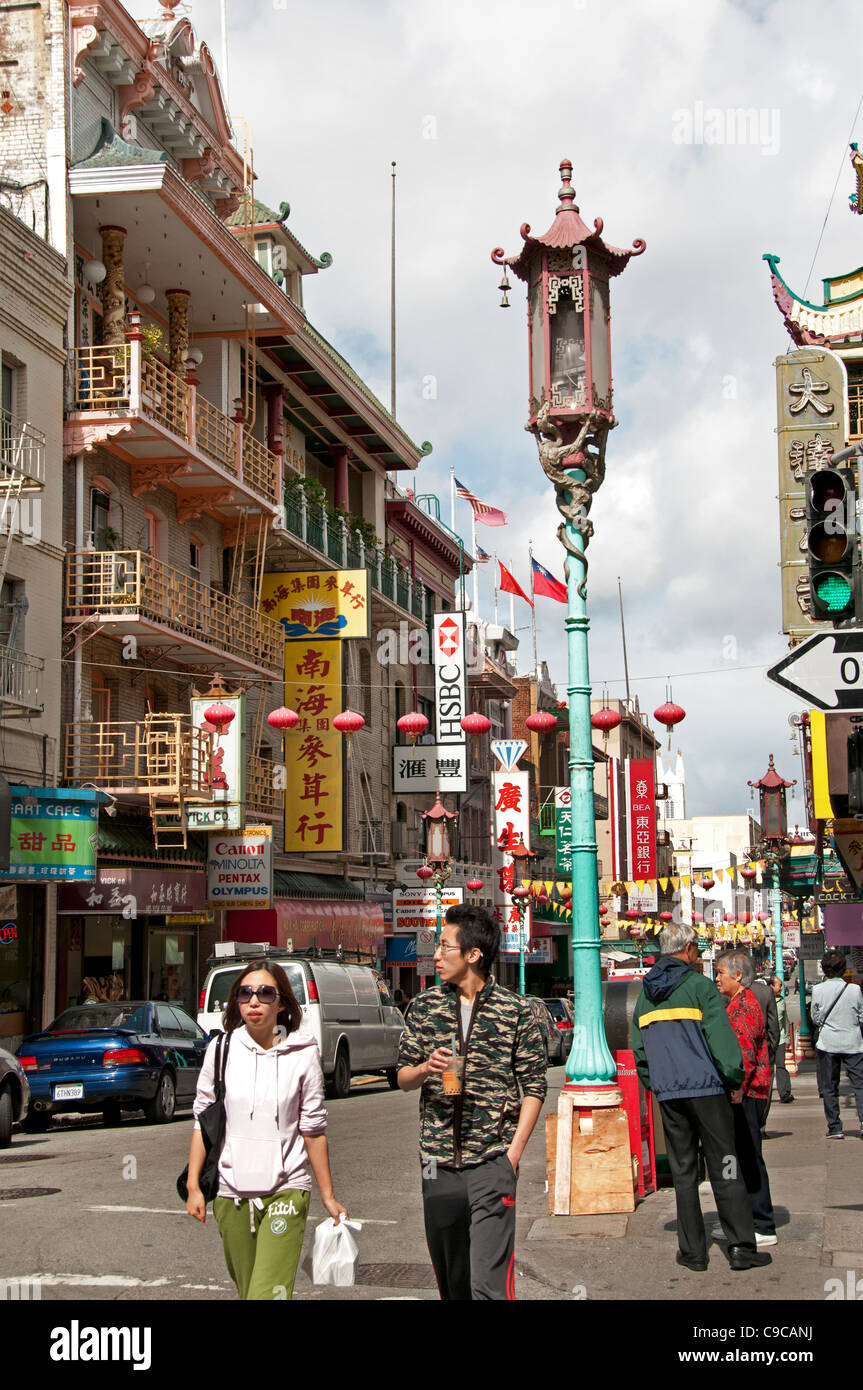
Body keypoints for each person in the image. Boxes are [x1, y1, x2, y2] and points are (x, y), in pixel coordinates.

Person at [397, 903, 547, 1300]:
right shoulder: (424, 1007)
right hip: (436, 1163)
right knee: (453, 1282)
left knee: (488, 1285)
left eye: (444, 947)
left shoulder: (515, 1011)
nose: (435, 955)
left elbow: (534, 1085)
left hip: (492, 1161)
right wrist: (426, 1068)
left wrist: (512, 1155)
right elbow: (401, 1077)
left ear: (473, 954)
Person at [185, 961, 348, 1300]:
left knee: (265, 1295)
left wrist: (328, 1196)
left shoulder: (302, 1053)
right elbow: (204, 1120)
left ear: (282, 1003)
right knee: (248, 1292)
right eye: (245, 993)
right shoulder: (221, 1050)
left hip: (287, 1191)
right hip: (231, 1194)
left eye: (265, 993)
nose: (254, 1001)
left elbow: (313, 1129)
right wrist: (193, 1186)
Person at [631, 923, 771, 1273]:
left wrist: (655, 1083)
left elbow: (639, 1048)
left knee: (683, 1172)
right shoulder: (700, 987)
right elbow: (722, 1044)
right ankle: (740, 1246)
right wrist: (734, 1078)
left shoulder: (645, 994)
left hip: (669, 1094)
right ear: (690, 950)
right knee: (726, 1165)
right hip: (707, 1090)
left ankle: (692, 1251)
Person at [713, 951, 777, 1249]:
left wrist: (737, 1085)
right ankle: (743, 1220)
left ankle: (761, 1222)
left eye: (721, 972)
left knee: (749, 1158)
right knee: (740, 1158)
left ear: (738, 975)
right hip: (746, 1090)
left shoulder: (745, 1005)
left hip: (747, 1093)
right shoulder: (737, 1002)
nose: (717, 978)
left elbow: (744, 1053)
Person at [811, 949, 863, 1139]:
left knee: (830, 1086)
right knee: (859, 1085)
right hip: (853, 1043)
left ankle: (835, 1127)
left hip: (828, 1043)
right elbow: (861, 1015)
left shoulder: (818, 990)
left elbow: (815, 1018)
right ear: (843, 969)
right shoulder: (855, 990)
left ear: (824, 970)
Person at [751, 971, 781, 1130]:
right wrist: (772, 1048)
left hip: (741, 1052)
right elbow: (773, 1025)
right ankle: (761, 1123)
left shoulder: (728, 991)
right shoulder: (765, 992)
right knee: (765, 1087)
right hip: (764, 1051)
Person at [767, 974, 793, 1105]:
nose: (781, 988)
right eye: (779, 985)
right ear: (771, 986)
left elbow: (786, 1021)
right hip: (769, 1039)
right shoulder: (766, 999)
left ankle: (785, 1093)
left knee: (781, 1066)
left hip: (781, 1039)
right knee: (769, 1068)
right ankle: (766, 1094)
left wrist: (787, 1038)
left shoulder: (781, 1001)